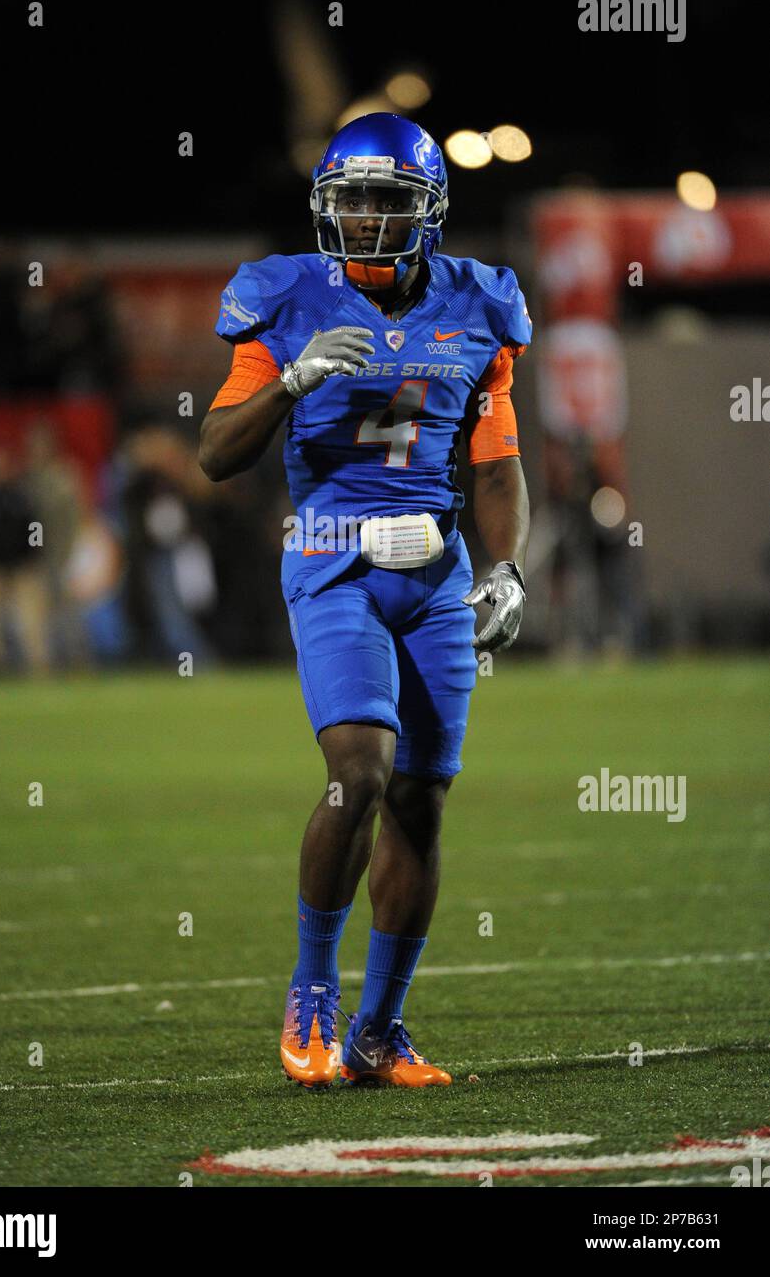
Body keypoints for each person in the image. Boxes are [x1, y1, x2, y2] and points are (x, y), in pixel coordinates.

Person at [199, 113, 532, 1089]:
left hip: (430, 570)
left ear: (426, 209)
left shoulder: (478, 306)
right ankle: (311, 989)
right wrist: (291, 380)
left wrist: (506, 568)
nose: (363, 219)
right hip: (331, 559)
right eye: (347, 199)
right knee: (360, 768)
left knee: (422, 801)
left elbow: (499, 466)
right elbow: (216, 453)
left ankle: (380, 1031)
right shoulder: (288, 299)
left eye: (384, 199)